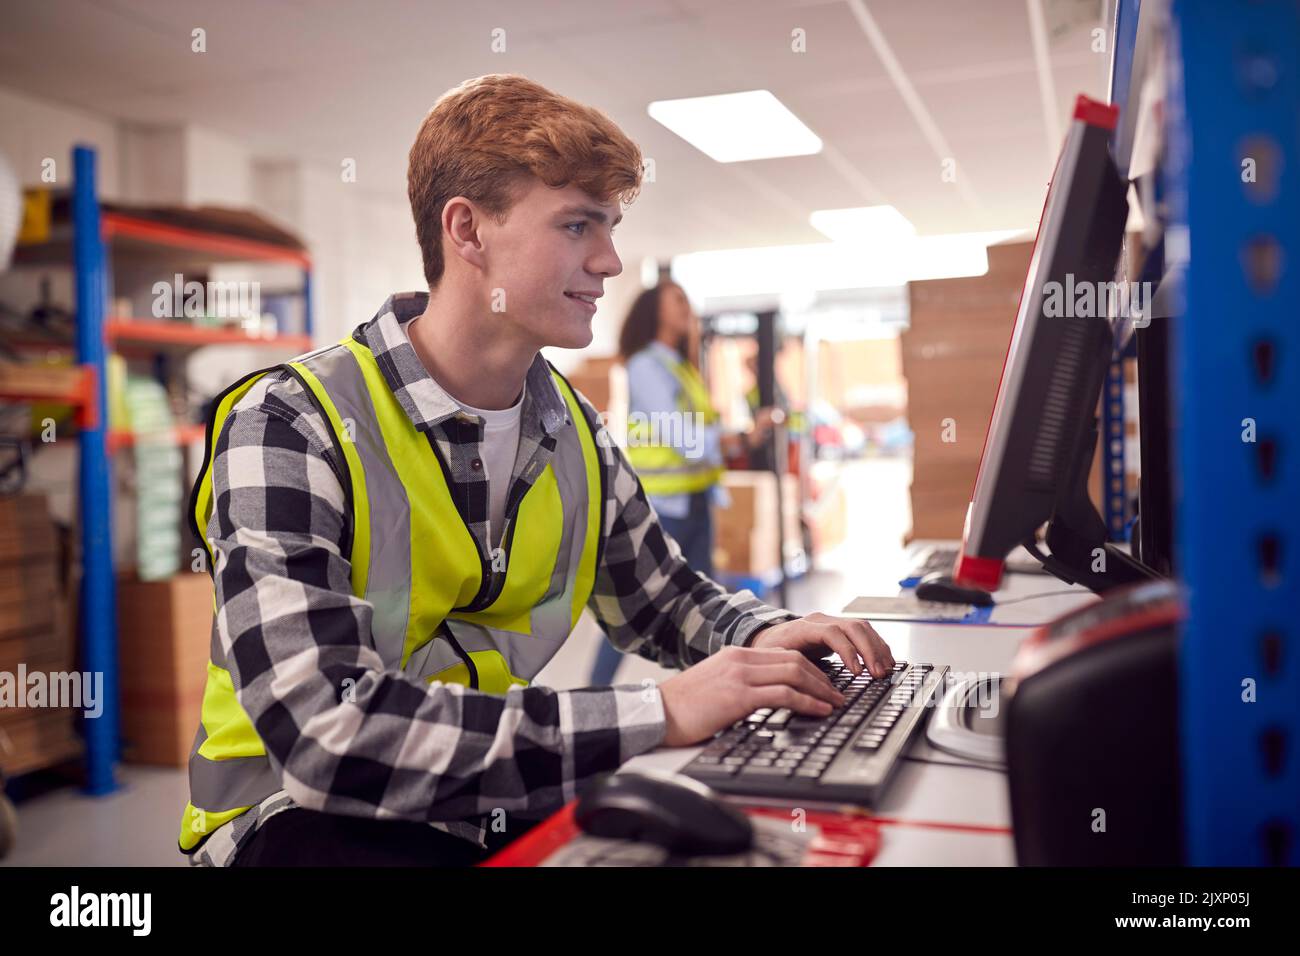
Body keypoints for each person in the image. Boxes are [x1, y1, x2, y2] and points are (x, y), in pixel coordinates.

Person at [178, 73, 893, 868]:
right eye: (578, 225)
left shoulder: (570, 429)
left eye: (611, 226)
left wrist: (765, 640)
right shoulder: (289, 422)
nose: (612, 261)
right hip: (298, 817)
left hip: (483, 790)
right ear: (468, 231)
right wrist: (658, 712)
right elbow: (328, 737)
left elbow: (661, 599)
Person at [587, 282, 778, 683]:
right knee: (637, 605)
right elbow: (686, 440)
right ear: (653, 310)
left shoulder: (679, 366)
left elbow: (703, 429)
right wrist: (740, 438)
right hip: (664, 507)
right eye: (677, 300)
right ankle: (596, 688)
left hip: (695, 500)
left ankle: (714, 689)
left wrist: (737, 434)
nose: (687, 307)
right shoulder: (646, 366)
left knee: (705, 606)